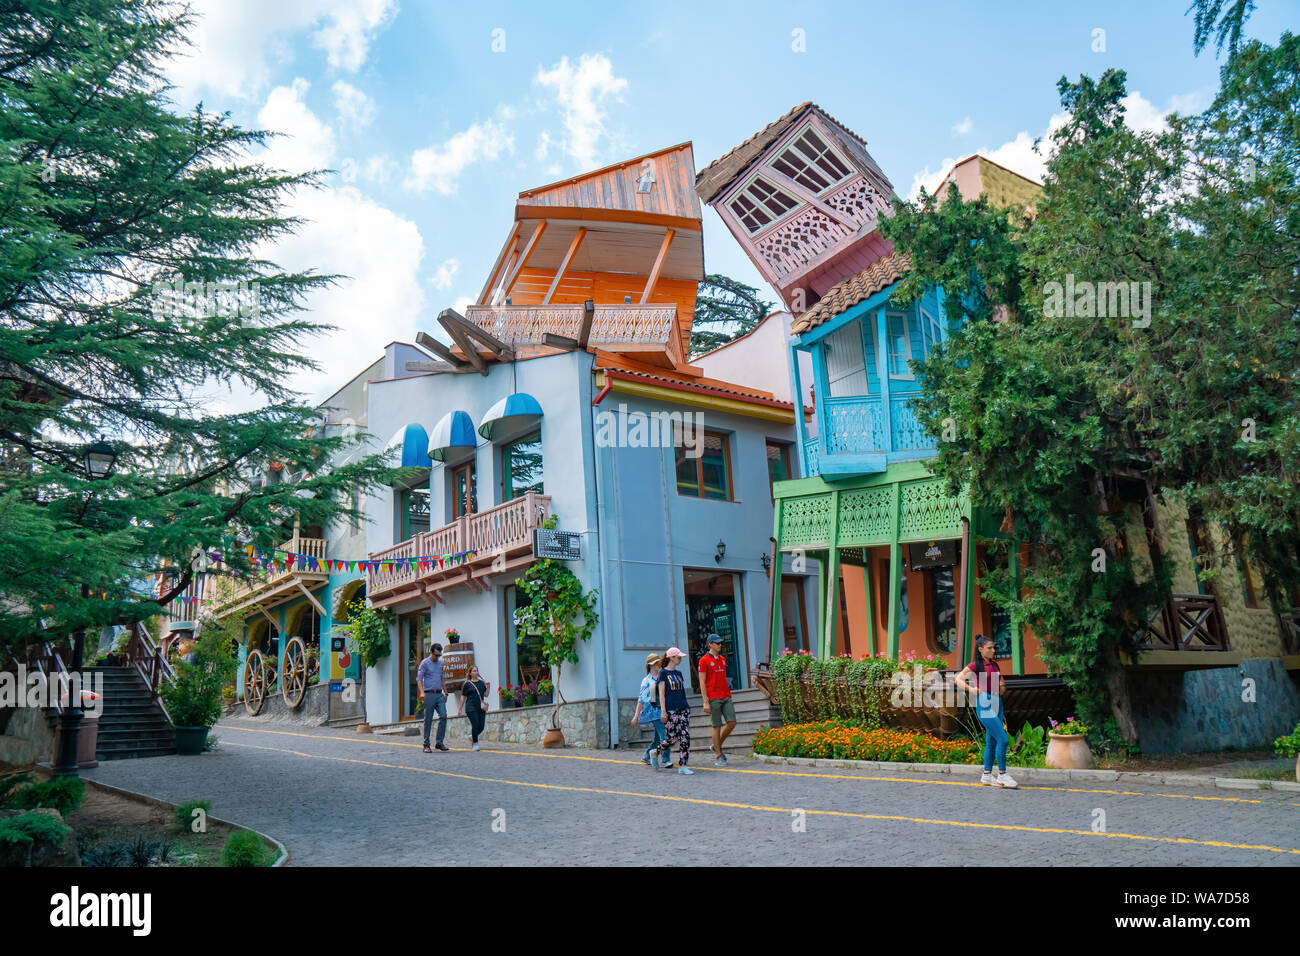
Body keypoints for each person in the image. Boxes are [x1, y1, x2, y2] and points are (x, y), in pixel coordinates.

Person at [955, 634, 1017, 788]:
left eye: (994, 647)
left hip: (997, 703)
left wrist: (1002, 686)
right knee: (1003, 739)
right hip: (984, 703)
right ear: (980, 649)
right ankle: (1002, 775)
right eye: (990, 648)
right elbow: (958, 680)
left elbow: (1001, 682)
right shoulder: (975, 665)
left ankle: (987, 775)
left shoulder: (995, 665)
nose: (993, 650)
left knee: (992, 741)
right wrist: (972, 689)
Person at [649, 647, 692, 774]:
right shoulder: (663, 673)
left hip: (683, 708)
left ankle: (683, 765)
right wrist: (663, 711)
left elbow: (681, 691)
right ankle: (655, 752)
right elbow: (661, 694)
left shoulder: (679, 674)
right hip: (670, 709)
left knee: (685, 736)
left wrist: (687, 708)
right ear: (671, 658)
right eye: (678, 657)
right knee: (671, 739)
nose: (680, 659)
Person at [698, 632, 737, 766]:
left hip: (726, 695)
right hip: (713, 697)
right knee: (717, 726)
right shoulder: (703, 660)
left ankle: (716, 745)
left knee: (732, 722)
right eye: (717, 643)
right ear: (710, 644)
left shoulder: (722, 659)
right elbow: (702, 681)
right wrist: (705, 701)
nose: (720, 645)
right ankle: (718, 755)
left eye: (721, 643)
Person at [631, 652, 669, 768]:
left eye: (659, 662)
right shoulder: (646, 681)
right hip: (654, 712)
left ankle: (647, 755)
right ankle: (665, 760)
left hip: (663, 710)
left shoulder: (663, 676)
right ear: (651, 665)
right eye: (656, 663)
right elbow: (641, 699)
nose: (658, 665)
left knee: (658, 738)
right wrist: (636, 716)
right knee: (665, 735)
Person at [417, 642, 448, 753]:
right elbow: (419, 679)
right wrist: (422, 693)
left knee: (443, 716)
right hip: (428, 693)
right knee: (428, 720)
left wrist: (446, 692)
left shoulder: (440, 664)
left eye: (439, 655)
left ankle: (439, 742)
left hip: (439, 694)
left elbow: (442, 678)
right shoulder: (424, 663)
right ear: (431, 652)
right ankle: (426, 744)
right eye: (436, 655)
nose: (437, 657)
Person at [456, 663, 489, 751]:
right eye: (474, 671)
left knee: (481, 727)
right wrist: (460, 709)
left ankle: (472, 736)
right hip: (471, 707)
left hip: (481, 707)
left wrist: (488, 687)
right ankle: (475, 744)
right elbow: (463, 697)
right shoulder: (467, 684)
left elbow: (486, 695)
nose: (476, 672)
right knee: (475, 724)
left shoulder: (482, 683)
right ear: (470, 673)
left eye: (477, 670)